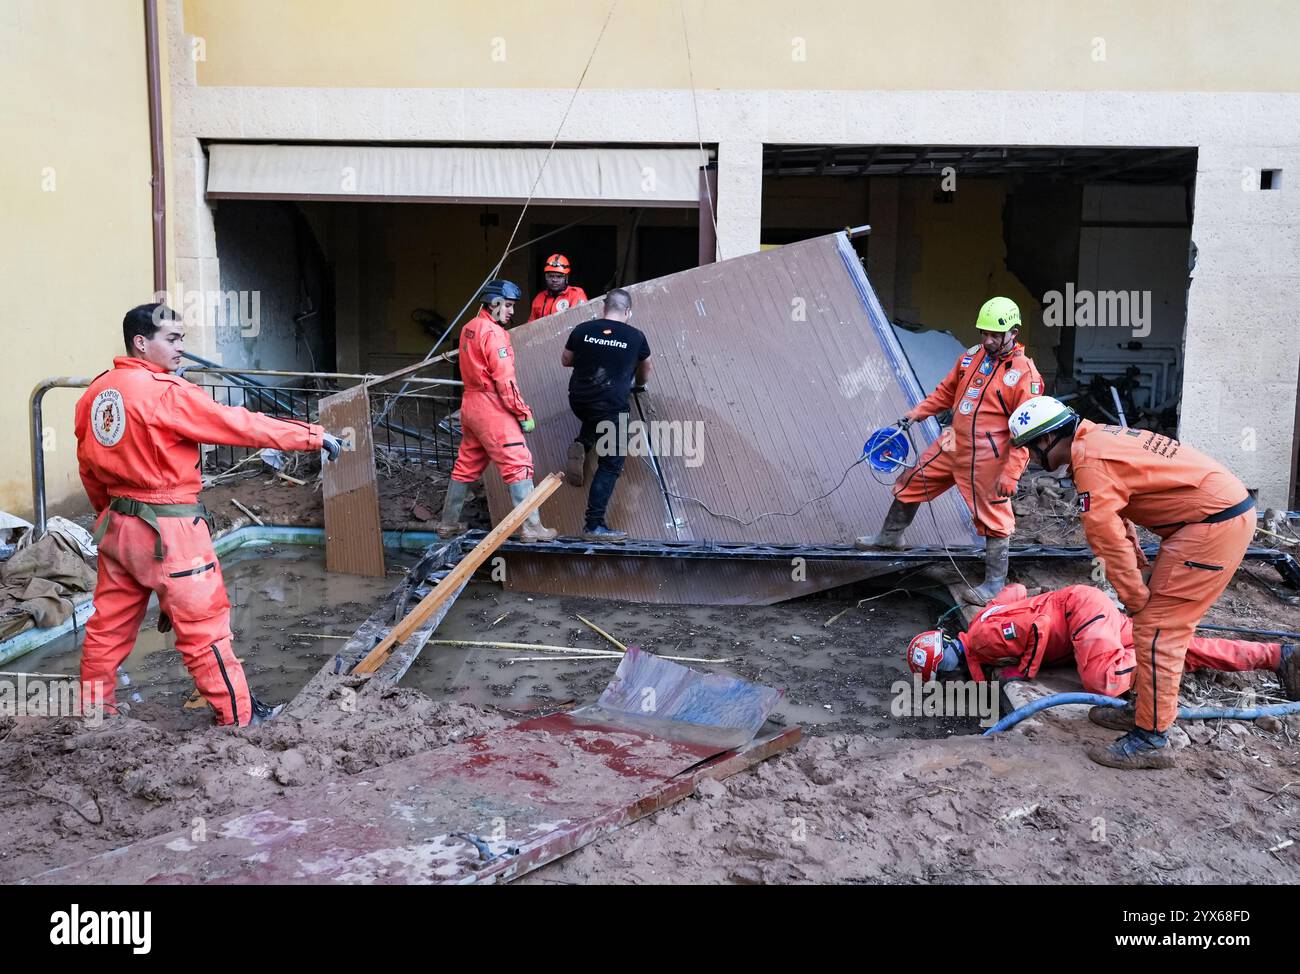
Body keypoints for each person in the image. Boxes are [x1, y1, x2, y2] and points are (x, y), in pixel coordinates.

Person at [75, 303, 343, 726]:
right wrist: (311, 435)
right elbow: (240, 425)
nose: (182, 347)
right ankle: (240, 720)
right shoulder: (166, 392)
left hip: (118, 527)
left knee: (106, 629)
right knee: (206, 633)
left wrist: (107, 518)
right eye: (173, 339)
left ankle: (94, 714)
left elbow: (87, 467)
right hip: (171, 532)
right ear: (141, 343)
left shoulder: (97, 392)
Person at [1008, 395, 1259, 769]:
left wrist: (1134, 596)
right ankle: (1143, 709)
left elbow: (1106, 537)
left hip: (1211, 527)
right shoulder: (1095, 442)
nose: (1030, 457)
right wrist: (1140, 572)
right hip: (1205, 521)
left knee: (1158, 631)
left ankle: (1152, 738)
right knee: (1151, 626)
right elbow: (1122, 516)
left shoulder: (1092, 462)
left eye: (1030, 448)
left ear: (1045, 440)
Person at [856, 297, 1044, 605]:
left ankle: (994, 584)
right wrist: (917, 412)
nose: (987, 340)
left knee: (994, 515)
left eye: (995, 335)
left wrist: (1011, 472)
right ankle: (891, 537)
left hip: (989, 454)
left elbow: (1027, 429)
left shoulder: (1024, 374)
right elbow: (946, 391)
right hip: (954, 441)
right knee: (913, 479)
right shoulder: (972, 357)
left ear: (1014, 331)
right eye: (983, 333)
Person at [905, 584, 1298, 712]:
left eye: (944, 675)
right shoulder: (980, 626)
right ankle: (1276, 656)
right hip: (1083, 613)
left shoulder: (985, 640)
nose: (951, 680)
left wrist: (1022, 671)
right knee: (1184, 648)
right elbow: (1016, 590)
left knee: (1103, 683)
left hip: (1083, 615)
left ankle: (1151, 658)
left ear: (947, 661)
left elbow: (1040, 627)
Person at [437, 280, 557, 542]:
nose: (512, 311)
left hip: (470, 405)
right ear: (494, 304)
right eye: (509, 306)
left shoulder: (470, 327)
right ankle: (531, 527)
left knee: (466, 465)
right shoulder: (494, 333)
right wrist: (523, 413)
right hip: (492, 408)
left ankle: (448, 524)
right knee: (519, 464)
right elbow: (505, 381)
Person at [560, 289, 651, 541]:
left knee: (594, 416)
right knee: (611, 463)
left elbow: (566, 360)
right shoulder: (636, 337)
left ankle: (583, 442)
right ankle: (594, 524)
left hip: (579, 400)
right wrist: (638, 384)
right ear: (628, 311)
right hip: (610, 405)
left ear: (604, 308)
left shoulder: (582, 329)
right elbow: (646, 368)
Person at [528, 253, 588, 321]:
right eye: (551, 276)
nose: (554, 280)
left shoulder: (576, 294)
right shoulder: (539, 298)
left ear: (566, 277)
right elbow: (531, 326)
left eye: (559, 276)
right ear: (546, 277)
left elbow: (579, 320)